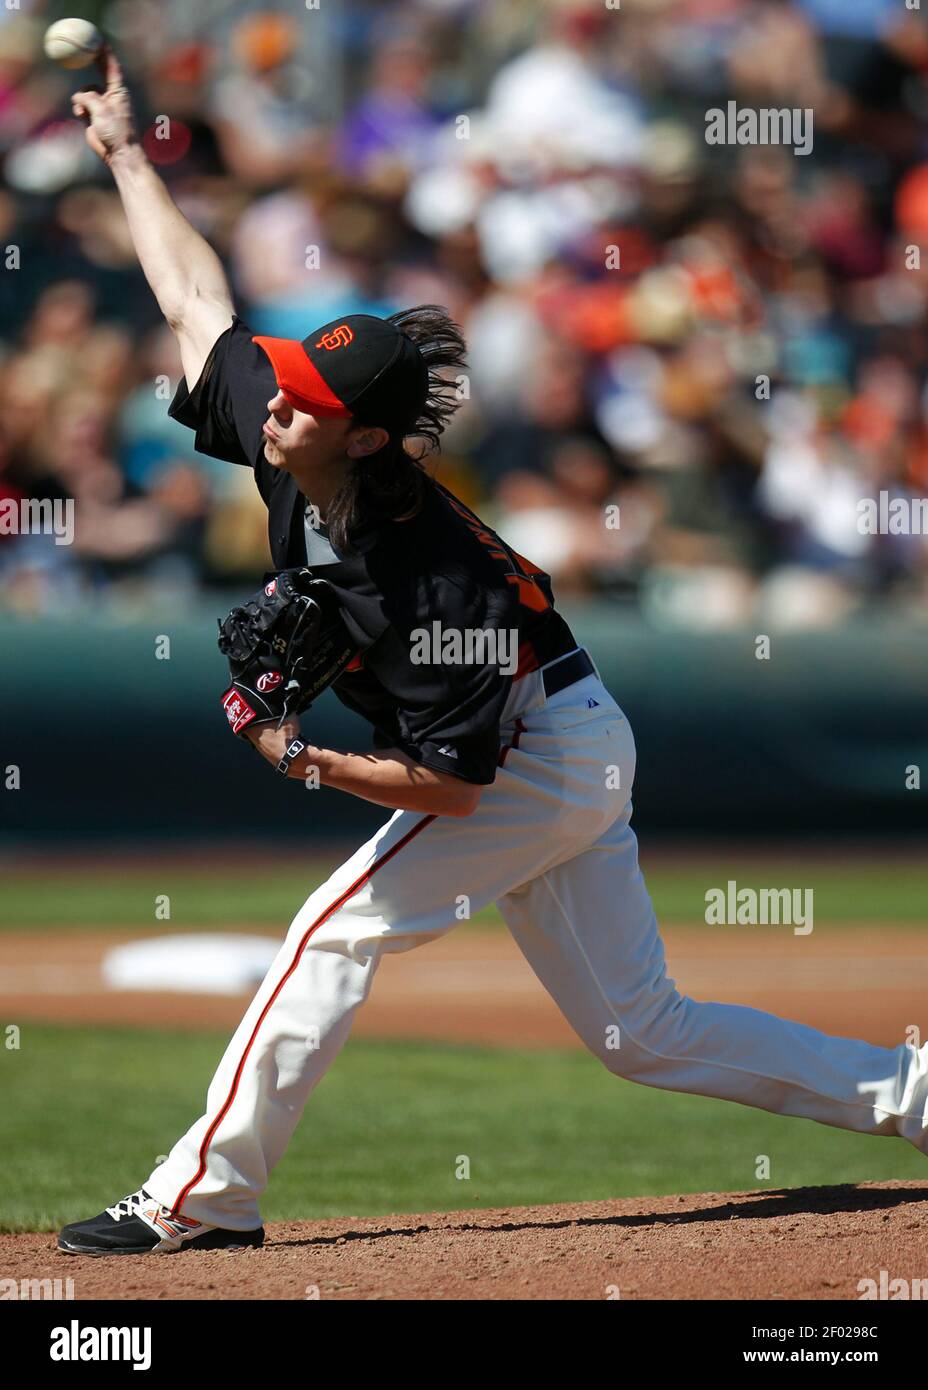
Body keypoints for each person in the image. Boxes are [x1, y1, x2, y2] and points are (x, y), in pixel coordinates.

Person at [59, 51, 928, 1257]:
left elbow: (460, 786)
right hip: (567, 731)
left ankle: (198, 1200)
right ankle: (914, 1097)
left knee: (332, 933)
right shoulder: (298, 439)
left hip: (533, 755)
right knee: (643, 1033)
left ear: (363, 436)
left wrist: (301, 759)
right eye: (286, 385)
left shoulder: (428, 581)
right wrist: (121, 155)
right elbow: (193, 303)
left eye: (303, 399)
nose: (273, 405)